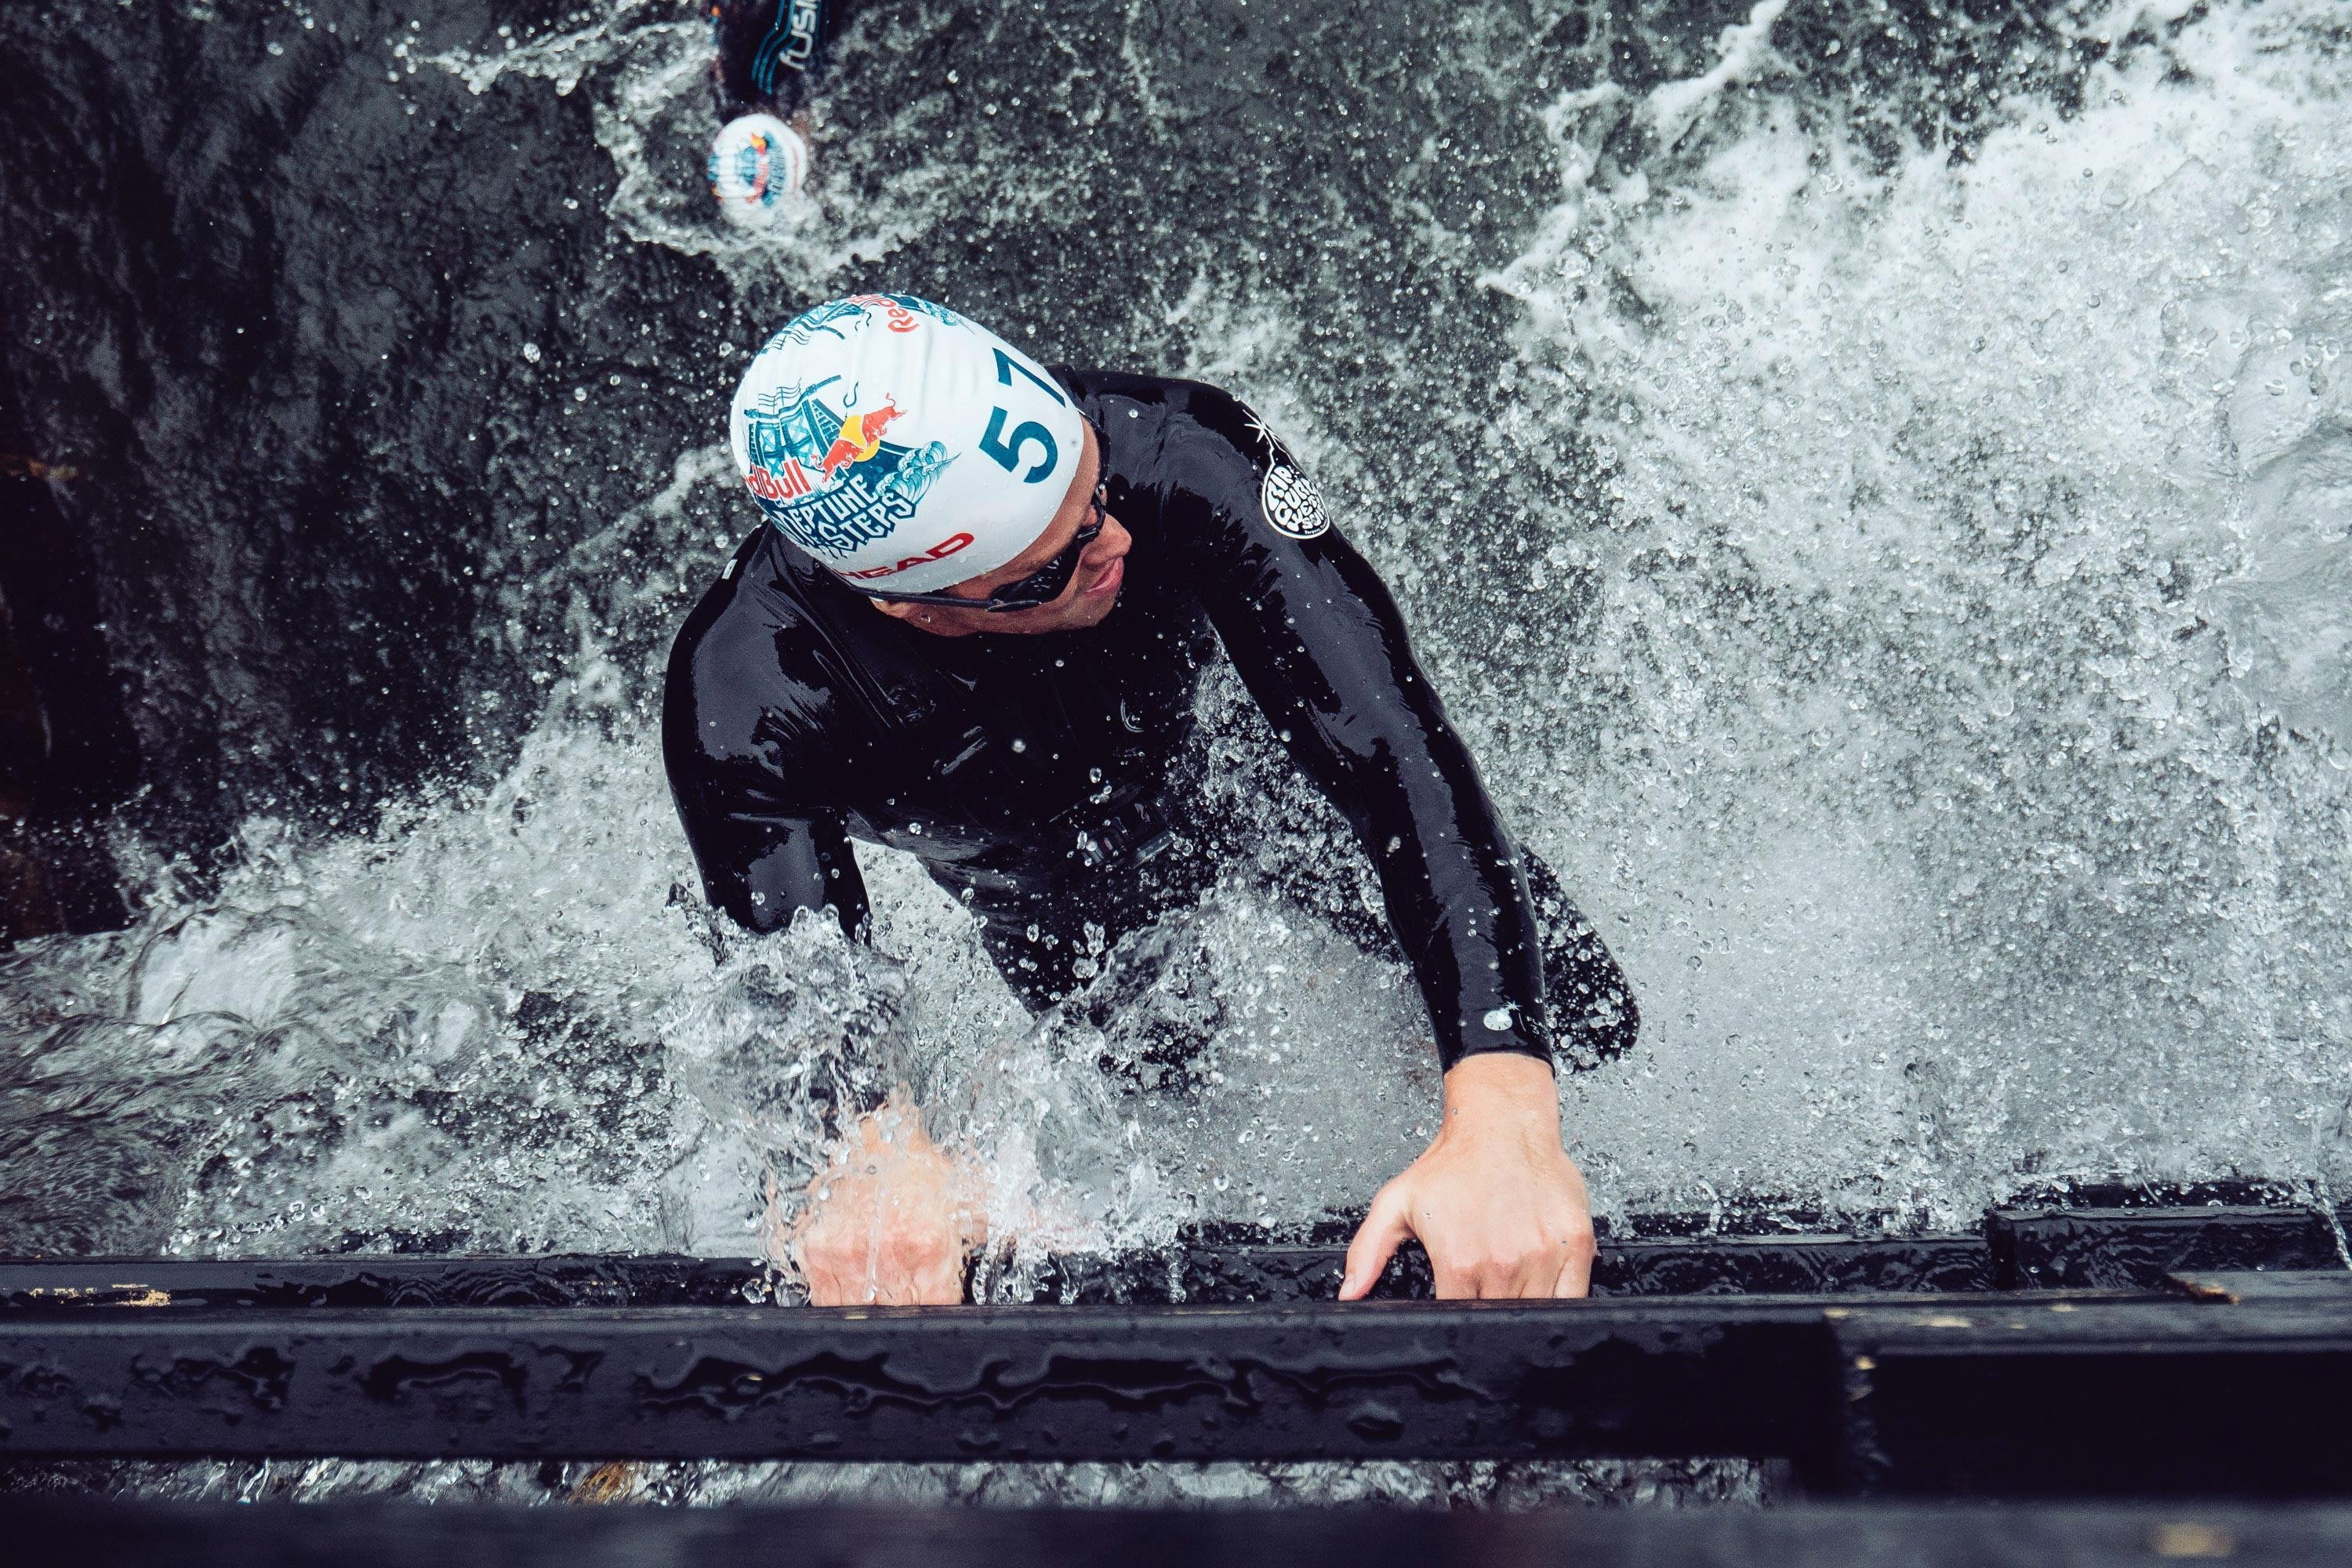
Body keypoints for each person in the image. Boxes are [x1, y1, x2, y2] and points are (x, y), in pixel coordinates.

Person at [663, 293, 1639, 1306]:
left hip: (1234, 783)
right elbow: (806, 987)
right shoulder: (749, 696)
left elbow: (1394, 753)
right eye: (1055, 564)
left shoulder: (1179, 450)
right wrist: (868, 1155)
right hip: (1056, 903)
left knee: (1570, 1014)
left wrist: (1499, 1110)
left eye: (1093, 491)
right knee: (1168, 1126)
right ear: (909, 605)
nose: (1116, 539)